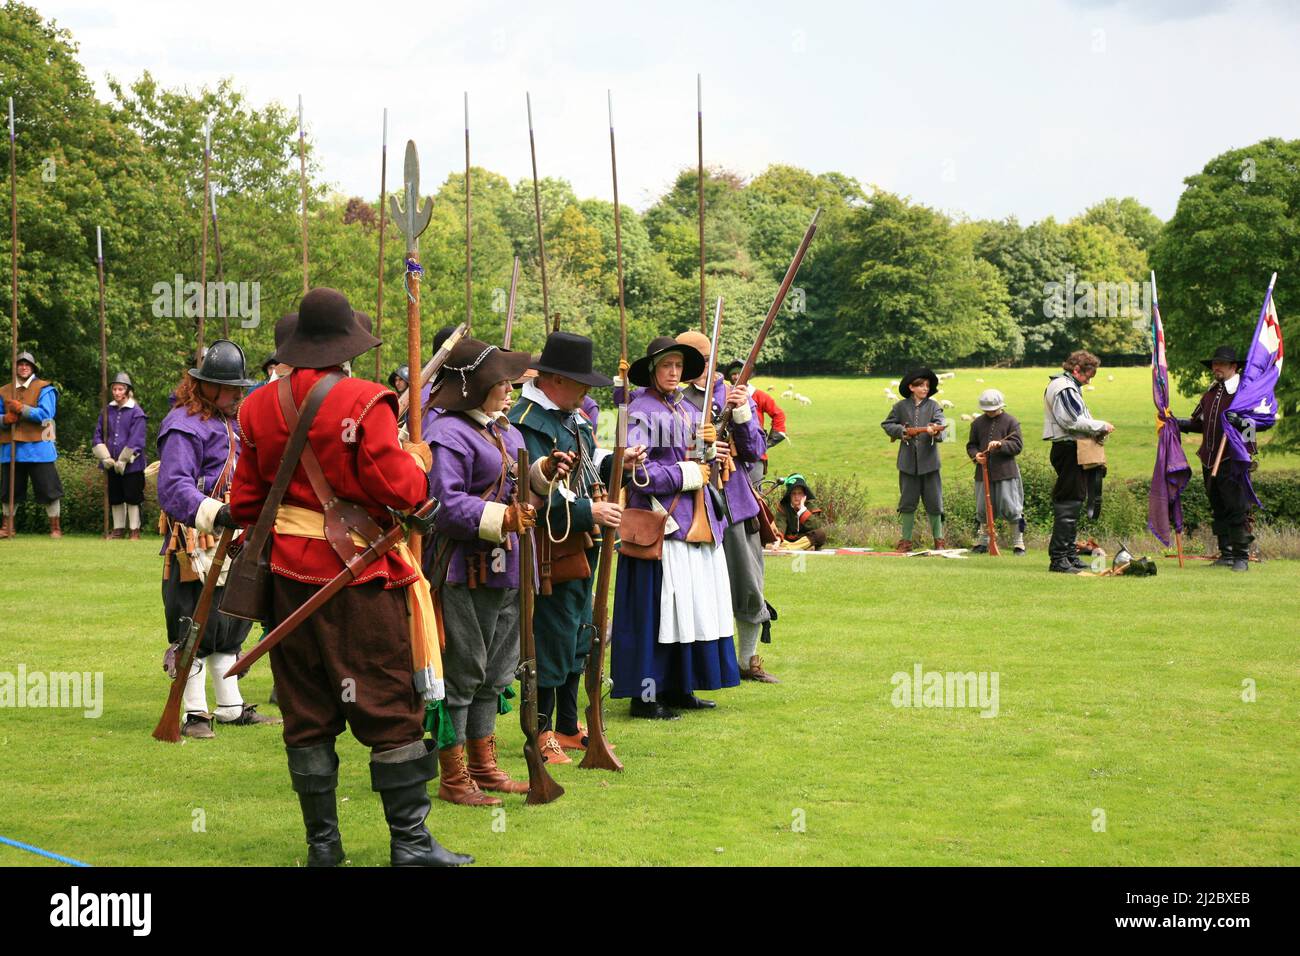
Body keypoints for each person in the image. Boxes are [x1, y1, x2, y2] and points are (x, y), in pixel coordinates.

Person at [230, 287, 468, 867]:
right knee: (389, 708)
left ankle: (323, 848)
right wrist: (415, 461)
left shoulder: (257, 405)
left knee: (306, 713)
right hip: (358, 575)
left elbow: (245, 503)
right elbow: (406, 495)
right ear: (347, 348)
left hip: (286, 580)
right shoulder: (366, 400)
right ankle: (410, 846)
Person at [423, 336, 569, 805]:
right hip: (464, 569)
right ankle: (454, 777)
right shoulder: (448, 433)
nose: (509, 389)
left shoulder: (505, 431)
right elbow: (443, 504)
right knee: (464, 674)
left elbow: (515, 482)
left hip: (509, 568)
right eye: (500, 382)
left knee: (494, 673)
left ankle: (485, 767)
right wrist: (502, 518)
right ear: (474, 387)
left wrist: (544, 472)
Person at [508, 330, 644, 759]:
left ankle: (568, 725)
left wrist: (617, 461)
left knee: (579, 634)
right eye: (580, 382)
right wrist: (591, 513)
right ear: (555, 380)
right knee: (550, 638)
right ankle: (541, 731)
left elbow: (585, 461)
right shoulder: (526, 421)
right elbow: (537, 487)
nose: (586, 391)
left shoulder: (571, 416)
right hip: (549, 547)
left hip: (577, 544)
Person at [611, 336, 740, 720]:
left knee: (689, 607)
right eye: (667, 365)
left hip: (696, 523)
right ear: (652, 370)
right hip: (661, 525)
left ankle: (680, 686)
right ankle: (647, 696)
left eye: (679, 367)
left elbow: (698, 463)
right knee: (661, 610)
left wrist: (709, 453)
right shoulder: (640, 410)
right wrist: (687, 472)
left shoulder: (687, 408)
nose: (673, 372)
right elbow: (635, 472)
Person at [157, 340, 274, 738]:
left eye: (239, 388)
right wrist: (216, 513)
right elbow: (173, 487)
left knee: (231, 624)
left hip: (238, 534)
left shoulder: (239, 424)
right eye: (228, 388)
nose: (237, 395)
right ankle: (192, 713)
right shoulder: (182, 425)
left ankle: (230, 706)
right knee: (193, 625)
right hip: (195, 538)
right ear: (204, 387)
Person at [679, 332, 778, 684]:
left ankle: (749, 659)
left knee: (748, 582)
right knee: (696, 587)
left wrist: (740, 414)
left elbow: (754, 450)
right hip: (690, 502)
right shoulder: (676, 398)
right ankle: (703, 665)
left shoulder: (732, 393)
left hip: (733, 499)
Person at [1175, 346, 1262, 572]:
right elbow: (1199, 423)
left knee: (1237, 507)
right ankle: (1226, 554)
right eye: (1214, 364)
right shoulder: (1211, 393)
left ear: (1233, 367)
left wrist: (1241, 423)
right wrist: (1177, 423)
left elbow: (1256, 427)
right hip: (1209, 458)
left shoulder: (1245, 393)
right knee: (1218, 507)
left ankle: (1241, 557)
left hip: (1233, 459)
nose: (1216, 367)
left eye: (1221, 364)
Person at [1042, 350, 1114, 573]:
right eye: (1088, 376)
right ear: (1076, 370)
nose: (1089, 380)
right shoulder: (1064, 387)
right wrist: (1100, 425)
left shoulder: (1066, 385)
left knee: (1075, 501)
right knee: (1068, 502)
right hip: (1068, 448)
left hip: (1070, 449)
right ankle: (1059, 559)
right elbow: (1072, 421)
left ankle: (1069, 555)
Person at [881, 367, 947, 551]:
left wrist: (935, 430)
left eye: (927, 385)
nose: (925, 388)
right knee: (907, 503)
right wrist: (902, 432)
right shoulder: (900, 407)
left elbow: (942, 426)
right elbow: (887, 424)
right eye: (921, 385)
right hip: (907, 463)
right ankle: (906, 541)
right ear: (911, 387)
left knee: (934, 502)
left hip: (930, 463)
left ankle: (939, 541)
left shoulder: (934, 406)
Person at [0, 350, 63, 539]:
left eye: (27, 364)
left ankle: (55, 527)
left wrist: (22, 409)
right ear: (15, 367)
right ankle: (7, 526)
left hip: (39, 448)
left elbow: (46, 415)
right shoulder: (4, 390)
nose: (24, 367)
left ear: (33, 367)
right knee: (8, 491)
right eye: (20, 364)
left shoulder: (45, 388)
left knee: (49, 489)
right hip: (11, 448)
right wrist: (5, 419)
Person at [966, 388, 1026, 555]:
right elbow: (971, 445)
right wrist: (975, 455)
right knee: (982, 509)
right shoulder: (977, 423)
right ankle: (983, 542)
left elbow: (1017, 446)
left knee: (1013, 509)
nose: (990, 413)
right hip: (982, 473)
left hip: (1006, 473)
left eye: (993, 409)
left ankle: (1019, 543)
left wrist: (1001, 445)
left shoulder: (1011, 422)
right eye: (987, 410)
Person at [92, 372, 148, 540]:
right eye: (114, 389)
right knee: (115, 497)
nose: (117, 392)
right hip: (110, 462)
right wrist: (105, 457)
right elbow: (98, 434)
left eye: (120, 389)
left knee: (132, 496)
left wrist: (124, 459)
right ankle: (118, 530)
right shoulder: (106, 411)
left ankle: (134, 530)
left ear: (127, 391)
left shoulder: (136, 412)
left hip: (132, 464)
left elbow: (137, 439)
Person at [723, 360, 786, 480]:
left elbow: (779, 414)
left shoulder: (759, 395)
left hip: (754, 452)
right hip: (729, 455)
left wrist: (769, 441)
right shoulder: (724, 394)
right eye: (733, 374)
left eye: (740, 373)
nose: (737, 376)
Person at [775, 475, 826, 550]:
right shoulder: (784, 507)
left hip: (805, 539)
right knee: (770, 537)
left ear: (805, 495)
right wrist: (778, 539)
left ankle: (789, 548)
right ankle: (802, 548)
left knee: (820, 534)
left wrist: (803, 510)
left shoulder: (811, 507)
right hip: (788, 540)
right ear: (789, 495)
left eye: (800, 493)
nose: (797, 496)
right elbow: (780, 526)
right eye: (794, 493)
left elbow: (816, 527)